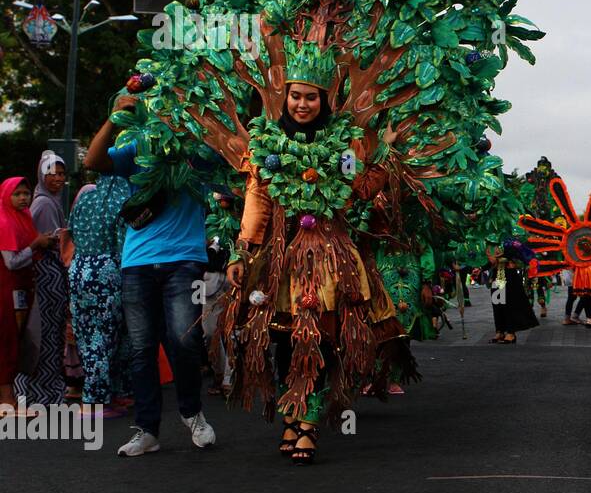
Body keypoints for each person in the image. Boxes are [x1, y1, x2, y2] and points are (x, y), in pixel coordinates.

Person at [224, 79, 413, 463]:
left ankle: (307, 424)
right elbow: (256, 203)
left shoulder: (341, 147)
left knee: (322, 342)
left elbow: (358, 186)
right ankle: (290, 418)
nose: (302, 104)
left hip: (331, 260)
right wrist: (240, 254)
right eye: (296, 96)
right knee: (284, 343)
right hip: (281, 264)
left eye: (311, 97)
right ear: (286, 99)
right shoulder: (267, 147)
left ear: (323, 101)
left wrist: (387, 149)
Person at [85, 95, 217, 456]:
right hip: (137, 263)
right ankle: (147, 430)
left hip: (185, 260)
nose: (164, 114)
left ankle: (192, 413)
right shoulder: (136, 148)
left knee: (185, 340)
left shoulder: (199, 151)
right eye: (157, 106)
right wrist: (116, 117)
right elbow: (93, 161)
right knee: (142, 350)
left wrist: (206, 116)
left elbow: (238, 158)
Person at [67, 178, 132, 415]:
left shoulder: (84, 197)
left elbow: (71, 230)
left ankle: (98, 395)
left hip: (80, 267)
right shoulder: (120, 200)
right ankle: (96, 400)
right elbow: (124, 243)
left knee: (86, 335)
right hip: (107, 270)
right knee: (105, 337)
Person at [19, 152, 70, 405]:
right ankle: (44, 391)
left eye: (62, 174)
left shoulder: (49, 201)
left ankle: (43, 390)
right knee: (48, 334)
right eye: (53, 173)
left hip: (47, 276)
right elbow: (48, 243)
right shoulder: (45, 204)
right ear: (42, 174)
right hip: (47, 276)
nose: (58, 179)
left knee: (49, 333)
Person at [1, 178, 51, 416]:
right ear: (6, 196)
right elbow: (12, 261)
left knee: (17, 341)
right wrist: (36, 244)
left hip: (20, 288)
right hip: (6, 289)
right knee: (7, 341)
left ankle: (9, 399)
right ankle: (6, 400)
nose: (23, 198)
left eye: (26, 193)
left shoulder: (21, 218)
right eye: (17, 194)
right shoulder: (4, 221)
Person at [488, 240, 539, 343]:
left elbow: (518, 257)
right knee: (497, 304)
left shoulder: (509, 242)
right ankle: (500, 331)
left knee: (510, 304)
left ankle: (511, 333)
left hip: (510, 277)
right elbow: (489, 261)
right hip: (497, 277)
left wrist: (500, 257)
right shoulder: (489, 242)